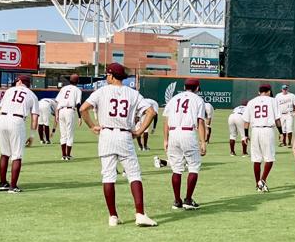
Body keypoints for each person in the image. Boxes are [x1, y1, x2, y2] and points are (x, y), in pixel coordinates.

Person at [81, 63, 158, 227]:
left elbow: (83, 109)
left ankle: (113, 216)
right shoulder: (133, 93)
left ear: (111, 76)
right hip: (124, 135)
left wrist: (92, 125)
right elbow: (151, 112)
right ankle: (140, 214)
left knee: (108, 176)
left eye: (107, 75)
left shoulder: (101, 91)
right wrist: (139, 131)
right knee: (134, 175)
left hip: (106, 135)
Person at [162, 78, 208, 209]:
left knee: (176, 169)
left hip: (173, 133)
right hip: (188, 133)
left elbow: (166, 120)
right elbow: (200, 122)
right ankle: (188, 200)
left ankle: (177, 201)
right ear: (197, 88)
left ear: (184, 86)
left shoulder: (174, 98)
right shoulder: (198, 100)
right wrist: (203, 142)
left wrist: (165, 139)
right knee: (193, 167)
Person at [0, 75, 39, 192]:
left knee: (4, 153)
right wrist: (32, 135)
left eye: (16, 81)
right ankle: (13, 186)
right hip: (17, 120)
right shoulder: (32, 95)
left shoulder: (9, 91)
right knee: (17, 155)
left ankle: (2, 182)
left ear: (20, 81)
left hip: (2, 118)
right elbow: (34, 118)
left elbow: (1, 106)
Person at [245, 84, 281, 192]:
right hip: (267, 130)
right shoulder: (273, 101)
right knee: (269, 158)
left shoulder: (251, 102)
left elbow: (246, 121)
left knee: (256, 159)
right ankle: (263, 180)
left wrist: (246, 135)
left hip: (255, 130)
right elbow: (277, 119)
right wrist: (281, 132)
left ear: (259, 92)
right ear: (269, 91)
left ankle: (258, 184)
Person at [55, 74, 84, 160]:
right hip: (70, 111)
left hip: (61, 111)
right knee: (69, 134)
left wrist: (57, 114)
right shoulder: (78, 90)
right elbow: (78, 104)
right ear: (78, 81)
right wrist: (79, 117)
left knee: (63, 134)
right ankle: (68, 155)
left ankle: (64, 155)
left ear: (70, 80)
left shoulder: (63, 88)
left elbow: (57, 101)